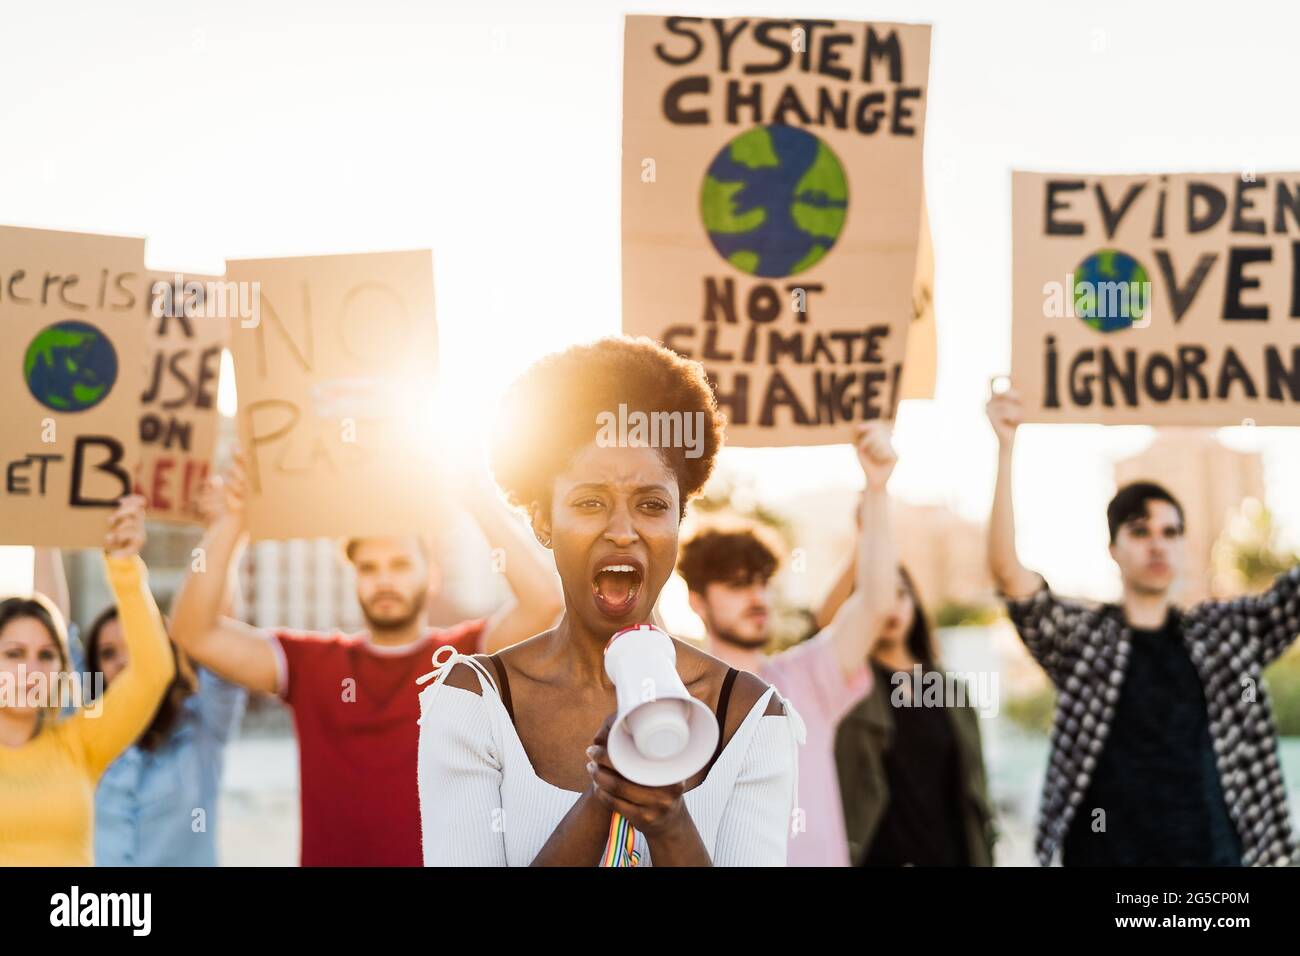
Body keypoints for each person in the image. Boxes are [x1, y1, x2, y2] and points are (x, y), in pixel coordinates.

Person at [417, 336, 802, 866]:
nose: (622, 532)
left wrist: (668, 825)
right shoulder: (475, 705)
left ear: (679, 521)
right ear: (544, 522)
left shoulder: (750, 716)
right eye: (590, 502)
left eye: (651, 504)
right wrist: (605, 795)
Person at [168, 451, 564, 866]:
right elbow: (194, 631)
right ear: (355, 579)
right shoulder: (309, 663)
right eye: (369, 568)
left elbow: (544, 602)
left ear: (431, 576)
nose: (385, 579)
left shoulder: (461, 658)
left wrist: (478, 500)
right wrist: (234, 523)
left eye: (399, 564)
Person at [987, 385, 1299, 866]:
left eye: (1170, 532)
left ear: (1183, 546)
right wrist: (1006, 446)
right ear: (1113, 547)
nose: (1157, 544)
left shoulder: (1226, 635)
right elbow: (1011, 577)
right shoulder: (1085, 640)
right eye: (1140, 531)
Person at [674, 423, 897, 867]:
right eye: (738, 586)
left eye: (762, 583)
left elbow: (875, 603)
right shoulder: (675, 692)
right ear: (697, 601)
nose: (757, 598)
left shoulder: (806, 676)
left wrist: (877, 489)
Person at [0, 496, 174, 866]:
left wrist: (123, 565)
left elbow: (153, 672)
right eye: (14, 654)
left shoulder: (80, 744)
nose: (32, 670)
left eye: (47, 655)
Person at [834, 566, 997, 866]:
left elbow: (974, 789)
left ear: (915, 603)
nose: (891, 606)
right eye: (877, 595)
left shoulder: (950, 690)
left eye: (900, 594)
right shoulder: (847, 689)